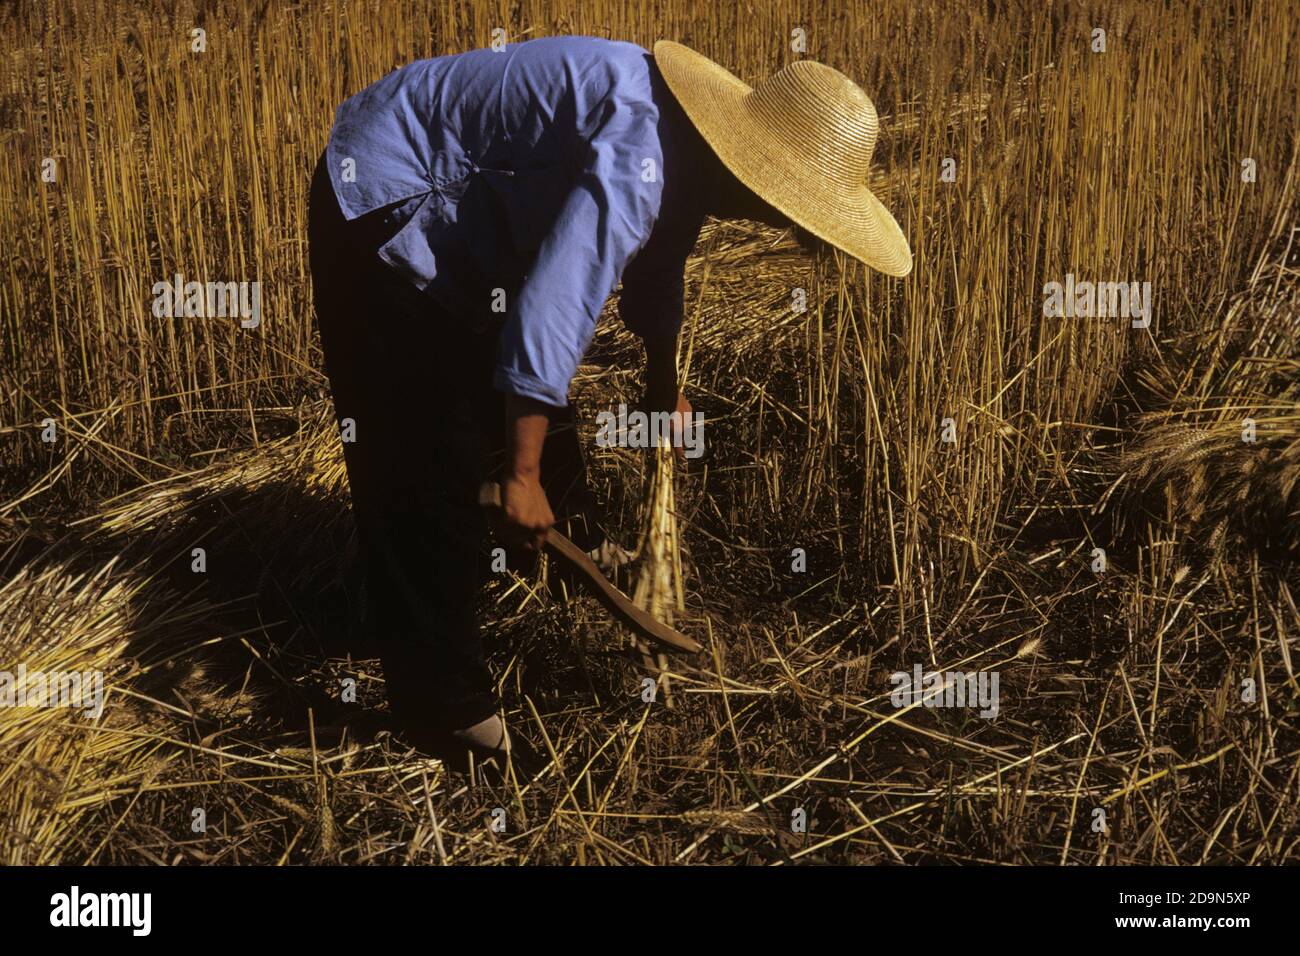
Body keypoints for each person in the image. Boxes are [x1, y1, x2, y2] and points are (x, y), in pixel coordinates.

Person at [307, 36, 910, 765]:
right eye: (784, 208)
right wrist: (521, 477)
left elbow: (656, 277)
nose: (776, 223)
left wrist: (664, 386)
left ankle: (573, 551)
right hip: (385, 183)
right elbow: (553, 309)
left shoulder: (687, 145)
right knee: (424, 457)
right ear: (755, 175)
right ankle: (445, 709)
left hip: (473, 209)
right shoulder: (640, 156)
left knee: (516, 413)